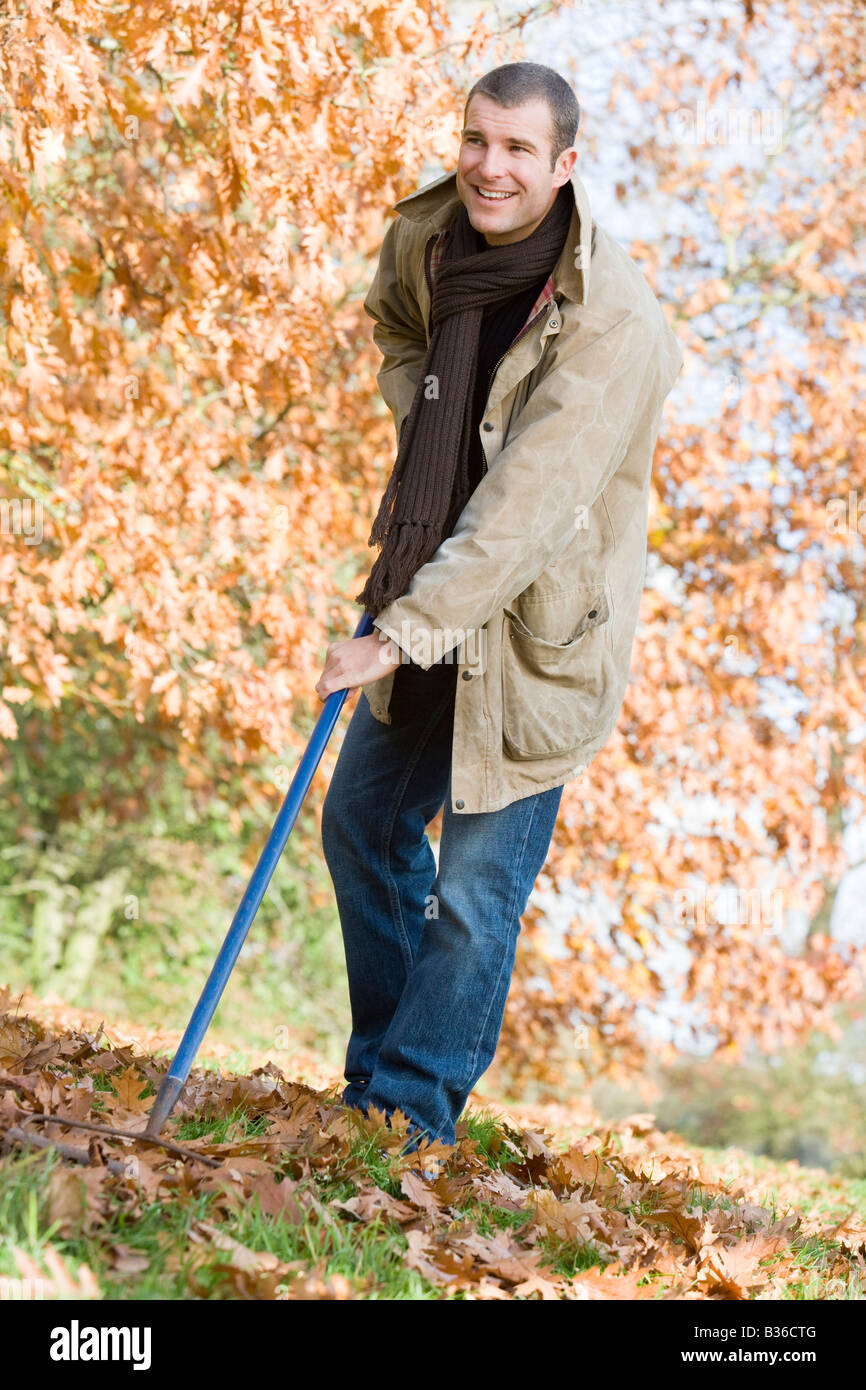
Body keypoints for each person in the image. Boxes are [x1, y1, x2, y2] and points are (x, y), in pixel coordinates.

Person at [314, 62, 683, 1154]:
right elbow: (395, 326)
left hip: (530, 631)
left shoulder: (612, 323)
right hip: (432, 575)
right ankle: (383, 1084)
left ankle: (407, 1114)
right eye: (477, 139)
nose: (489, 166)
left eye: (519, 148)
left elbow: (524, 511)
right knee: (362, 828)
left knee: (477, 889)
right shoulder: (430, 240)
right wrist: (420, 409)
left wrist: (397, 634)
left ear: (564, 166)